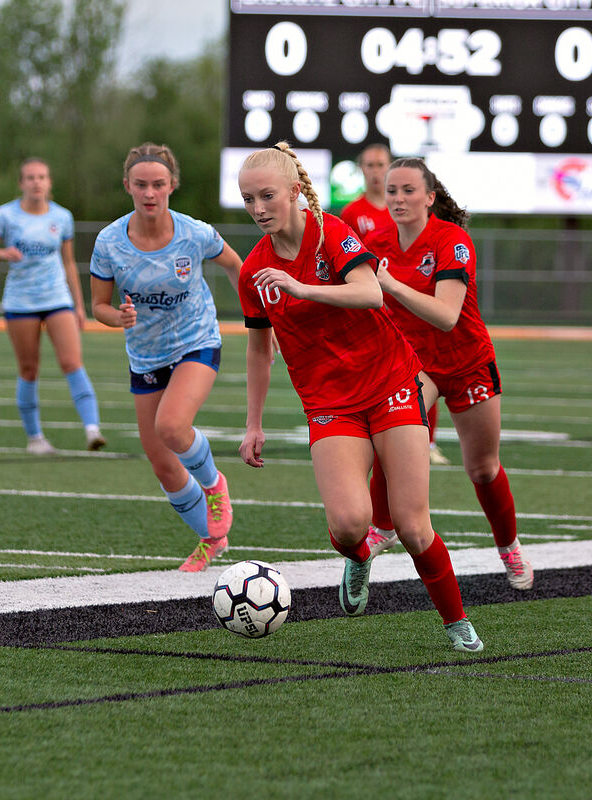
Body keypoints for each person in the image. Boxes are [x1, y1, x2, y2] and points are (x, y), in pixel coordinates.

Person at [236, 142, 483, 652]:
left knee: (414, 528)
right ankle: (358, 557)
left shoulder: (332, 233)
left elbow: (370, 292)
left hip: (390, 382)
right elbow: (259, 350)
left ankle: (457, 624)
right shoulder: (254, 273)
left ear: (296, 192)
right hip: (329, 403)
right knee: (350, 525)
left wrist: (302, 288)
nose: (259, 209)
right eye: (248, 200)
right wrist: (253, 423)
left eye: (267, 196)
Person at [363, 157, 532, 591]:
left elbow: (447, 316)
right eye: (392, 191)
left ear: (430, 197)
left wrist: (394, 286)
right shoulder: (377, 241)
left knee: (482, 468)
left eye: (408, 190)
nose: (399, 198)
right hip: (417, 365)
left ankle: (509, 546)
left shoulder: (451, 239)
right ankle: (380, 529)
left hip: (468, 361)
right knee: (390, 438)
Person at [90, 142, 243, 572]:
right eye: (141, 184)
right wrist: (116, 317)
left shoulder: (194, 233)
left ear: (172, 185)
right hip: (145, 356)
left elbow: (236, 266)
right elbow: (98, 306)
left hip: (196, 340)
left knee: (173, 427)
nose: (150, 192)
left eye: (158, 184)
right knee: (161, 462)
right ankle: (211, 539)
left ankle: (214, 485)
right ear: (128, 186)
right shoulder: (109, 242)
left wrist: (259, 321)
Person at [0, 158, 105, 455]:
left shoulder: (62, 217)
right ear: (21, 183)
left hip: (57, 299)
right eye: (31, 177)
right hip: (21, 302)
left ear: (49, 183)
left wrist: (79, 305)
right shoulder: (5, 215)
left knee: (72, 362)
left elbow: (69, 262)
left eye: (42, 177)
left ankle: (92, 430)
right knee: (29, 369)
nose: (36, 182)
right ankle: (35, 438)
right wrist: (1, 253)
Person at [343, 144, 449, 466]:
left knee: (423, 375)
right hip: (381, 313)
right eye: (370, 165)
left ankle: (426, 441)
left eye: (380, 164)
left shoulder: (438, 231)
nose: (375, 171)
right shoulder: (353, 213)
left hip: (422, 316)